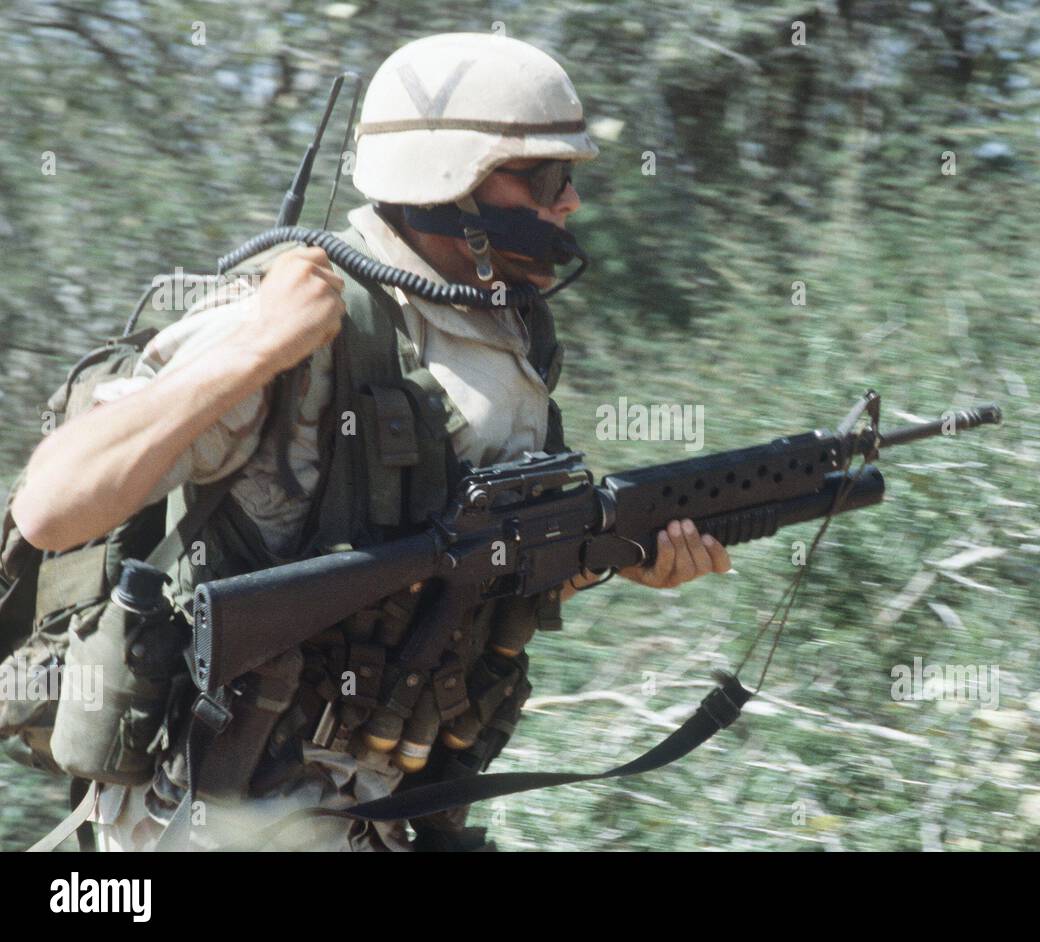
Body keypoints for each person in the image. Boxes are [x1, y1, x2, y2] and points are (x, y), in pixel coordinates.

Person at [9, 32, 730, 851]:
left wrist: (611, 554)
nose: (568, 202)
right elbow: (51, 506)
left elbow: (452, 561)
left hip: (386, 814)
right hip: (220, 823)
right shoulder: (301, 318)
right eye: (546, 177)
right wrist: (256, 348)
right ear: (451, 178)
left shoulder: (509, 329)